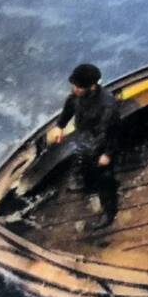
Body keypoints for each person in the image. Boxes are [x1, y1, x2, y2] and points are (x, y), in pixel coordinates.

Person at [47, 63, 119, 230]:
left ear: (92, 86)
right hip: (84, 141)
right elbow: (69, 107)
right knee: (85, 167)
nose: (74, 89)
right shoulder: (77, 95)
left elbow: (114, 132)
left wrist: (107, 154)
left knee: (106, 178)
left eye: (79, 87)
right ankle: (90, 190)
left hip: (102, 145)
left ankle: (109, 212)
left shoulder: (108, 106)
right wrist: (60, 126)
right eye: (74, 85)